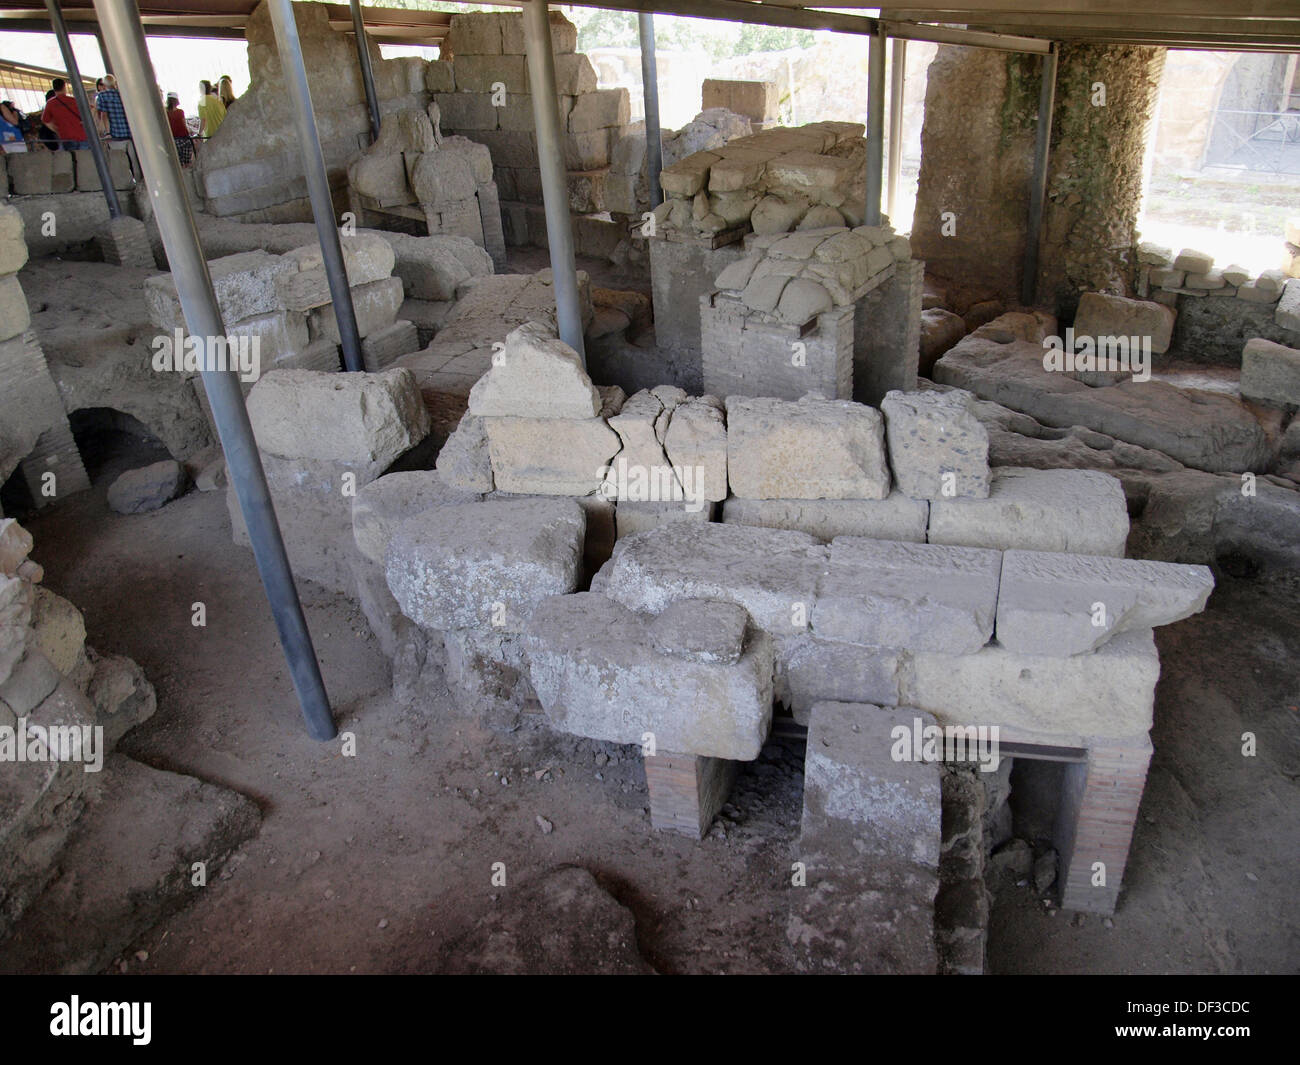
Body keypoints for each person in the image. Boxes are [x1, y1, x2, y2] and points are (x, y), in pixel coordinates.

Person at [41, 78, 90, 150]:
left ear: (54, 88)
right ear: (64, 87)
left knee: (73, 159)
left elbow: (45, 120)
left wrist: (56, 130)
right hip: (82, 136)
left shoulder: (50, 103)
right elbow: (89, 112)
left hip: (66, 137)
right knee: (86, 159)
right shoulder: (74, 101)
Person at [95, 73, 131, 142]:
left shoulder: (102, 95)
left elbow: (104, 115)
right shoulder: (123, 95)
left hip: (115, 132)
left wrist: (108, 133)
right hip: (128, 131)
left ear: (105, 84)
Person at [166, 92, 193, 167]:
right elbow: (184, 125)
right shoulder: (180, 112)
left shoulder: (166, 113)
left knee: (179, 162)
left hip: (174, 140)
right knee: (187, 161)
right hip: (184, 139)